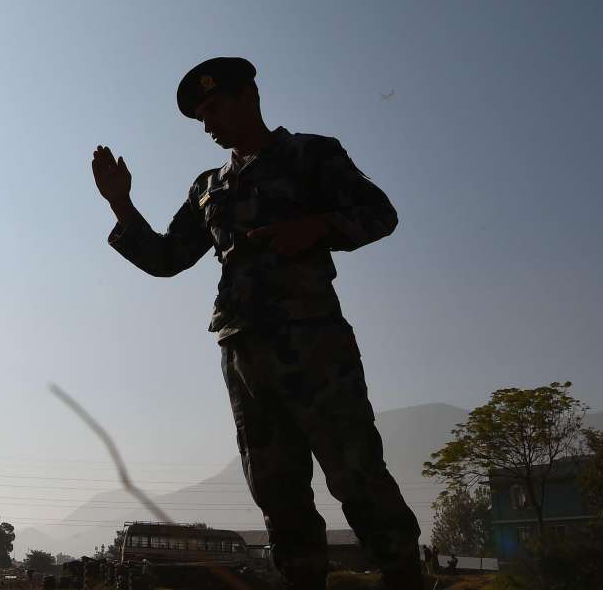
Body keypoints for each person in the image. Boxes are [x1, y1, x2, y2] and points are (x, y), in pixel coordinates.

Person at [91, 57, 424, 590]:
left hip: (311, 338)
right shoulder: (207, 186)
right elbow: (166, 259)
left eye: (214, 108)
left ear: (249, 97)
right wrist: (121, 204)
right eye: (200, 116)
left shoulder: (311, 154)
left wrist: (316, 227)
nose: (208, 124)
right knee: (276, 488)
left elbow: (379, 213)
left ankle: (405, 575)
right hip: (243, 350)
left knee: (355, 472)